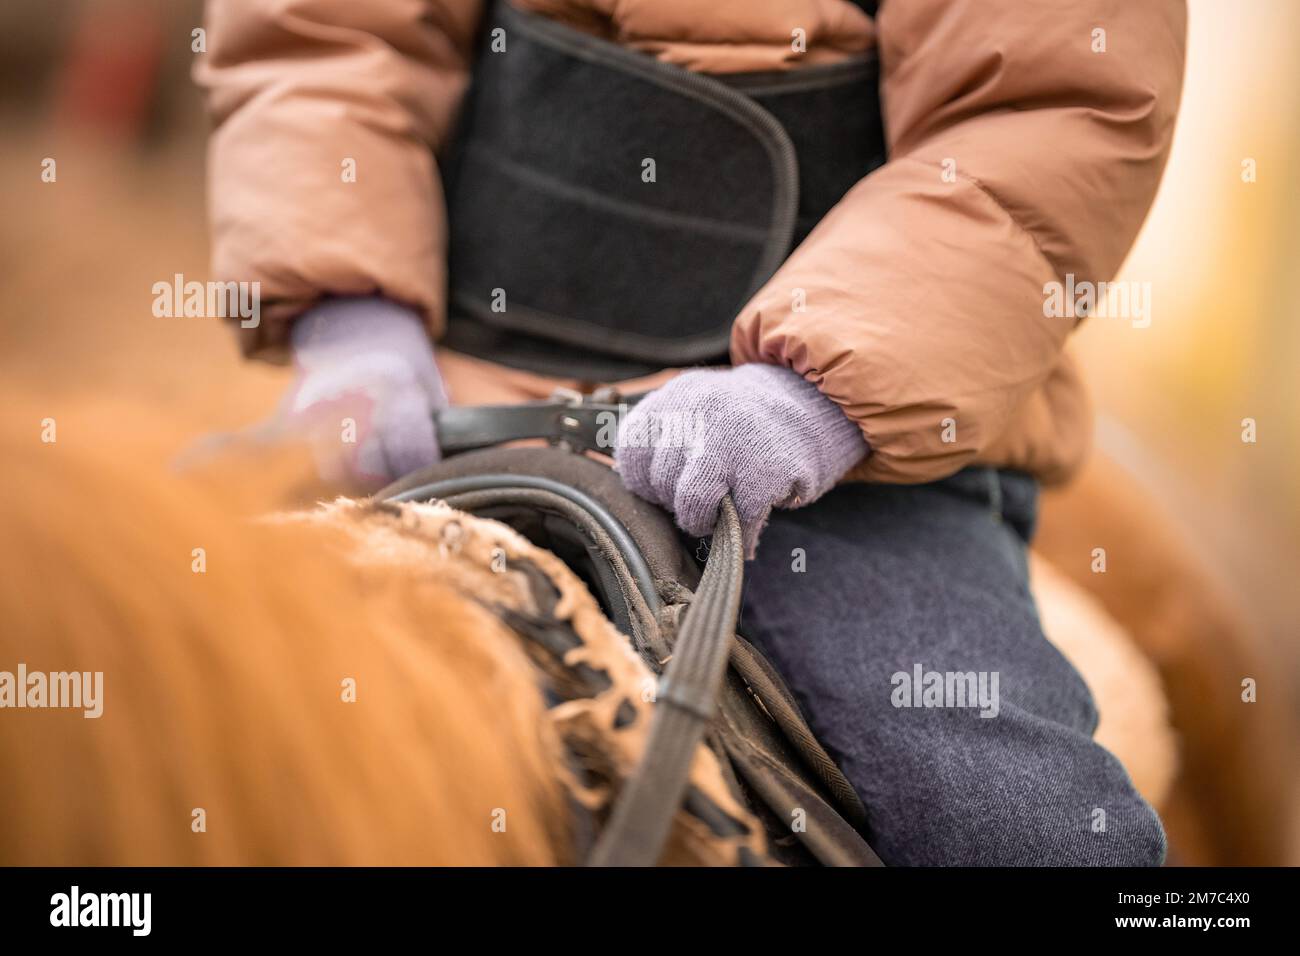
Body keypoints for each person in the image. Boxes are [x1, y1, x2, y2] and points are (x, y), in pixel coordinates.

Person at [197, 0, 1186, 865]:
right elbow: (324, 35)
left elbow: (1042, 116)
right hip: (448, 387)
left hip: (837, 452)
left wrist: (817, 392)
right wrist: (351, 320)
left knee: (1020, 830)